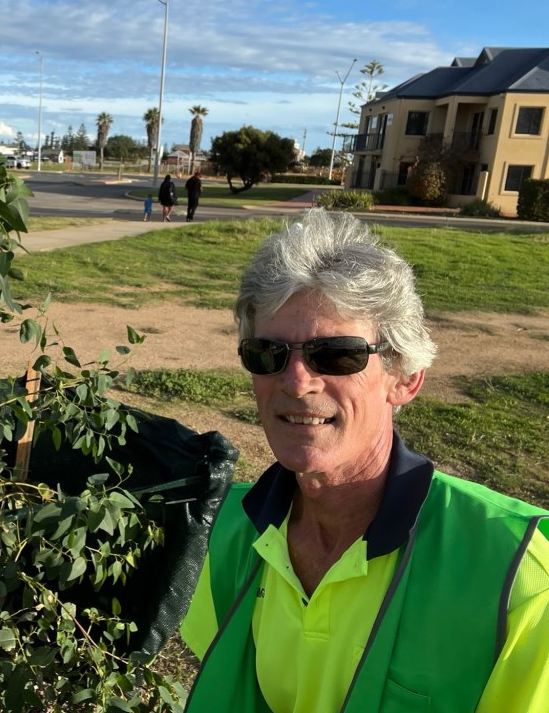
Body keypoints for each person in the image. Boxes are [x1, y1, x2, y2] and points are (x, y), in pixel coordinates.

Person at [181, 208, 549, 711]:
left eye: (336, 354)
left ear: (405, 378)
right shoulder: (230, 534)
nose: (296, 381)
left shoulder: (516, 573)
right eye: (268, 352)